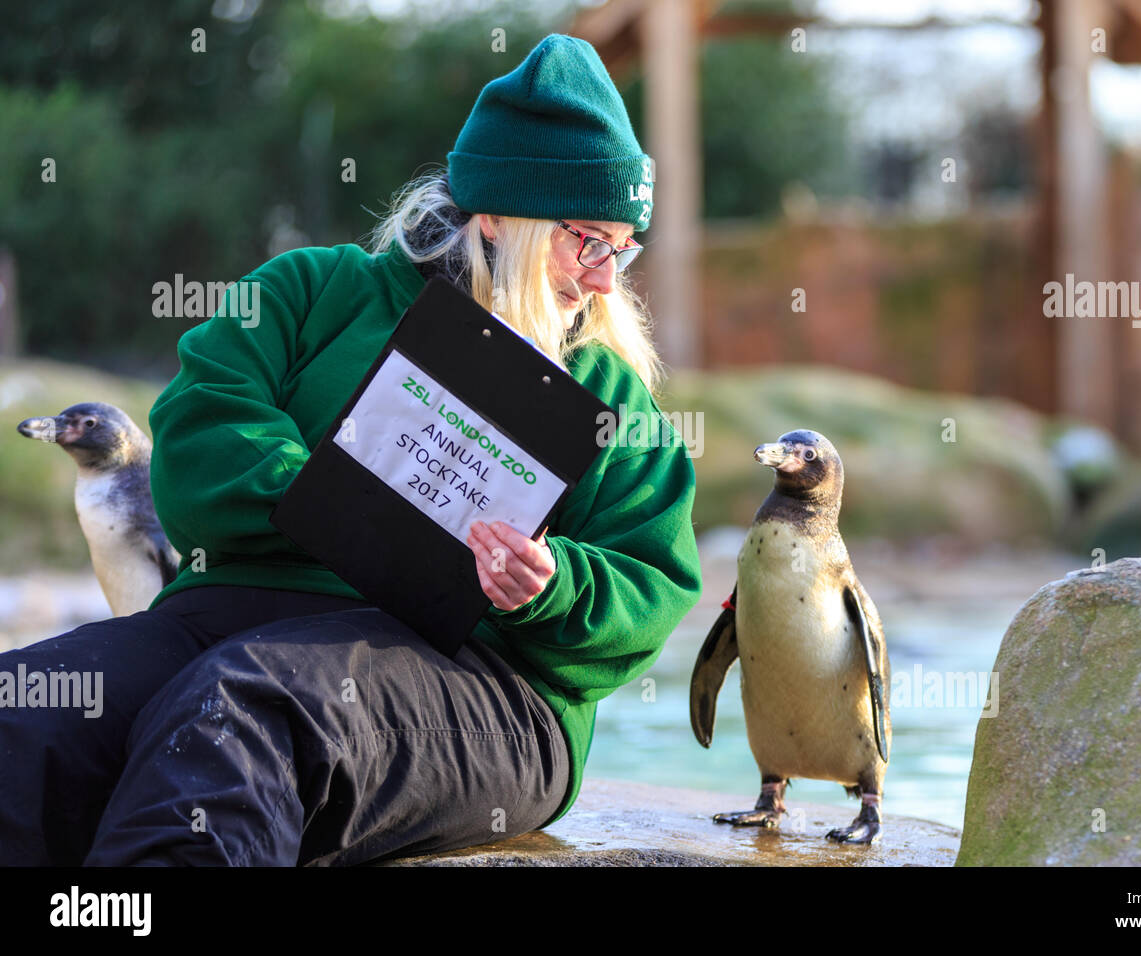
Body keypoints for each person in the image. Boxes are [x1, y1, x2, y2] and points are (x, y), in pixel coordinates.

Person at [0, 34, 701, 866]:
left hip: (485, 680)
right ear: (501, 218)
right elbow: (197, 442)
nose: (605, 280)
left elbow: (653, 582)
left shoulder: (611, 396)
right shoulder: (306, 291)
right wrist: (332, 493)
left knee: (239, 716)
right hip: (225, 616)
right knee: (25, 712)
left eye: (625, 249)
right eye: (589, 241)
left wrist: (552, 586)